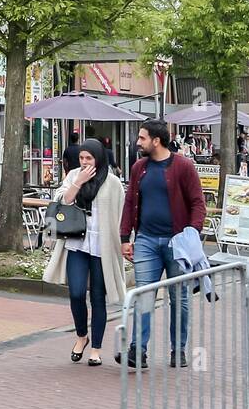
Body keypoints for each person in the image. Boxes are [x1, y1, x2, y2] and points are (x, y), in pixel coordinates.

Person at [119, 119, 206, 369]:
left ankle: (178, 349)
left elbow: (197, 203)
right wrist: (126, 238)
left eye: (142, 138)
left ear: (156, 141)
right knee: (143, 294)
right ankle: (138, 350)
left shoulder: (183, 166)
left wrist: (192, 233)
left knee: (179, 298)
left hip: (177, 242)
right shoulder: (139, 168)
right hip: (146, 240)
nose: (138, 142)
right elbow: (129, 203)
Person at [43, 138, 125, 367]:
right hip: (77, 242)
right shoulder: (72, 177)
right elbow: (63, 201)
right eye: (81, 158)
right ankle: (82, 336)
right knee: (76, 292)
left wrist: (126, 242)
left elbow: (121, 215)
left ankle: (96, 349)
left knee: (98, 297)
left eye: (89, 158)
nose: (85, 162)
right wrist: (77, 181)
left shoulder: (113, 182)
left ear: (99, 158)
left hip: (102, 245)